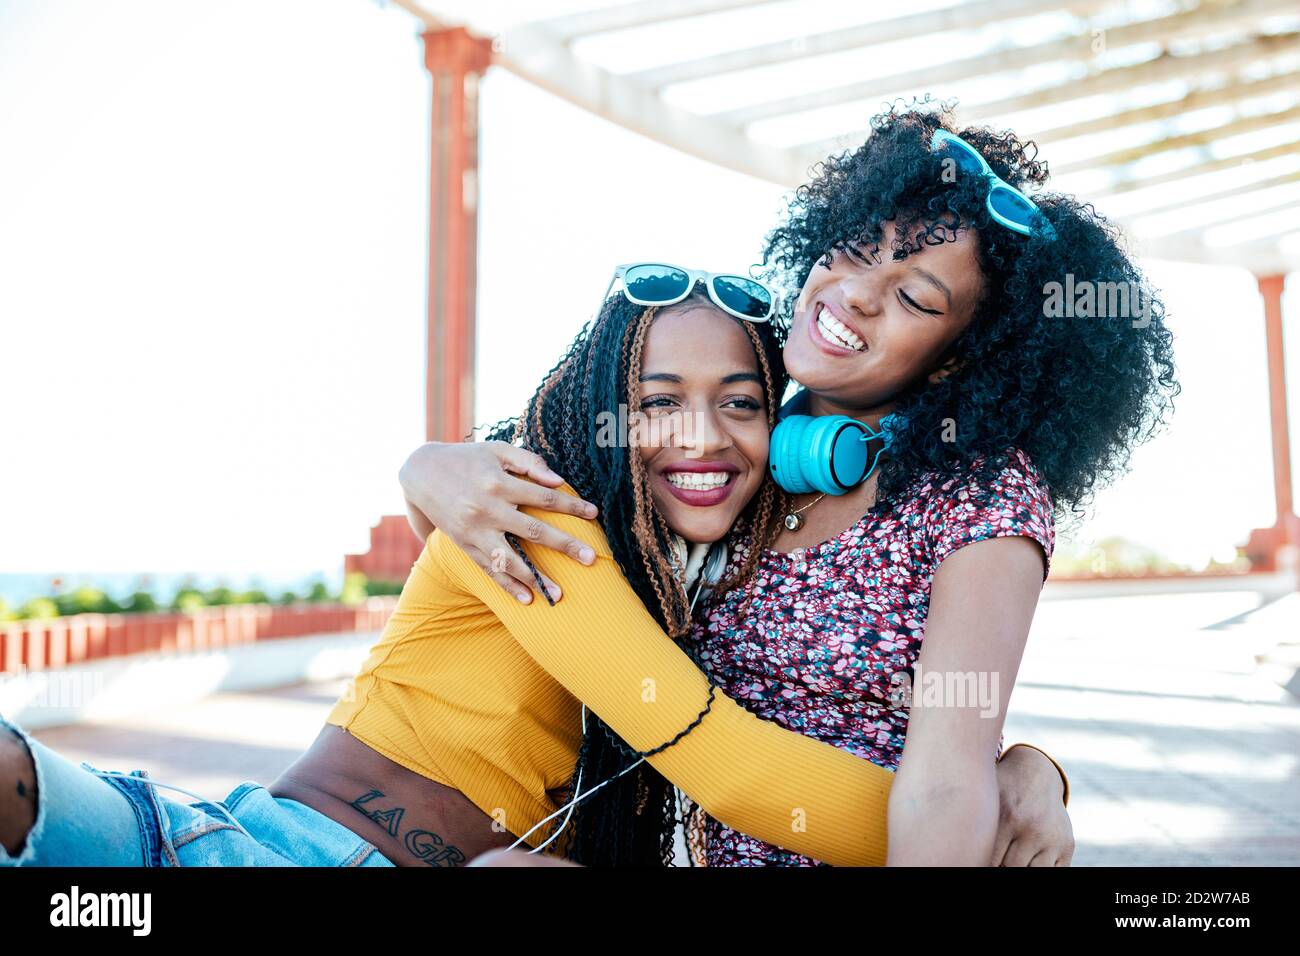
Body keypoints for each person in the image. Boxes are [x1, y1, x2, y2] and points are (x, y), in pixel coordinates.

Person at [0, 264, 1070, 868]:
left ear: (786, 436)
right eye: (656, 399)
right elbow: (740, 773)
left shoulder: (702, 582)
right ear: (602, 411)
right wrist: (976, 809)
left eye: (740, 403)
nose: (699, 436)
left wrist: (1025, 768)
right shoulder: (531, 513)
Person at [397, 104, 1176, 865]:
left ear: (958, 358)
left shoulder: (976, 496)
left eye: (915, 297)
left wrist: (1030, 774)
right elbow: (522, 534)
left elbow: (948, 774)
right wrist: (430, 469)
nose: (860, 292)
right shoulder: (731, 444)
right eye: (856, 248)